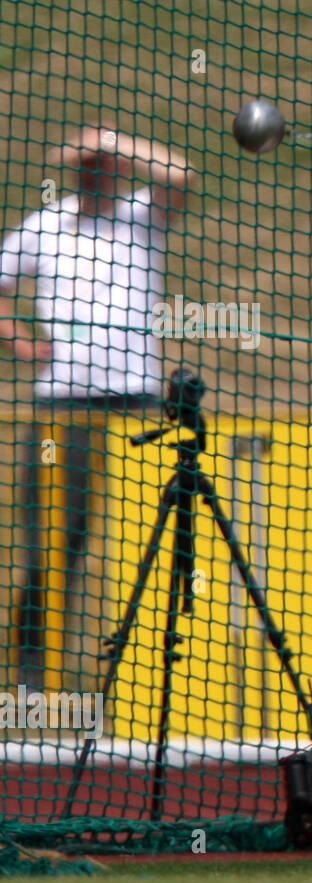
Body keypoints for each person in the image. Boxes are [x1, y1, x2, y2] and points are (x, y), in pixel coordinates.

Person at [1, 124, 193, 689]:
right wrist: (20, 342)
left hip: (137, 397)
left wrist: (120, 144)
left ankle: (134, 671)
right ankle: (35, 672)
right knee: (55, 536)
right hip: (65, 402)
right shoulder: (49, 223)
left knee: (149, 536)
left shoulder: (142, 216)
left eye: (105, 163)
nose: (98, 170)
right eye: (89, 162)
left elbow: (182, 176)